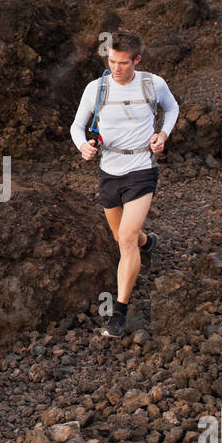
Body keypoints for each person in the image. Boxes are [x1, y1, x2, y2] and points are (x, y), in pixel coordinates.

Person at [70, 29, 180, 338]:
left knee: (126, 239)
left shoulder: (152, 84)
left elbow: (172, 108)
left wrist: (163, 134)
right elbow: (77, 126)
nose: (116, 68)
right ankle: (149, 243)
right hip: (109, 170)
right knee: (122, 236)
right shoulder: (97, 88)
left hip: (142, 167)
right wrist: (83, 146)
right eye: (112, 61)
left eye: (123, 63)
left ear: (137, 61)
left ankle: (118, 315)